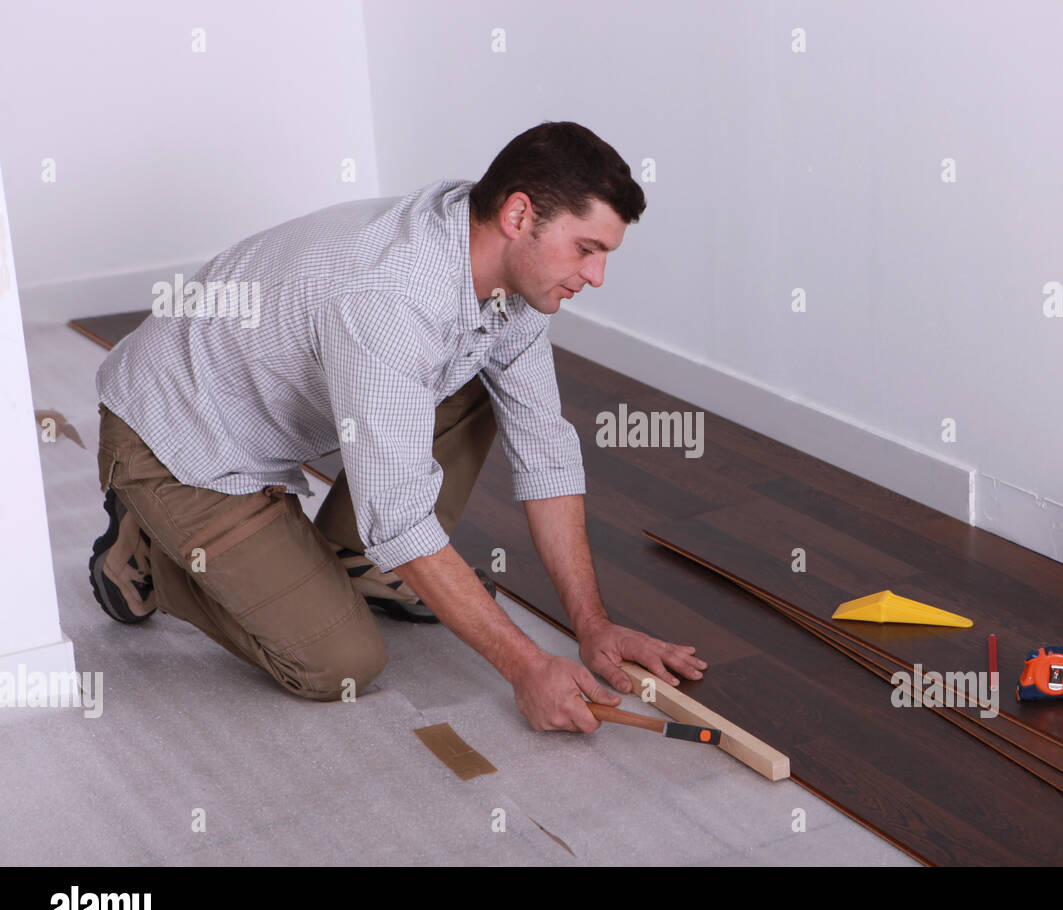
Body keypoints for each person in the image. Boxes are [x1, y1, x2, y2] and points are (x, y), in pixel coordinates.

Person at [89, 120, 706, 732]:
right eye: (586, 249)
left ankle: (357, 560)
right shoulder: (391, 298)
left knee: (476, 378)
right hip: (178, 443)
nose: (596, 277)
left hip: (257, 412)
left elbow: (544, 449)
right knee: (341, 663)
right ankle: (150, 556)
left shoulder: (503, 276)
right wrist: (526, 667)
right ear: (519, 216)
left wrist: (591, 624)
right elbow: (402, 513)